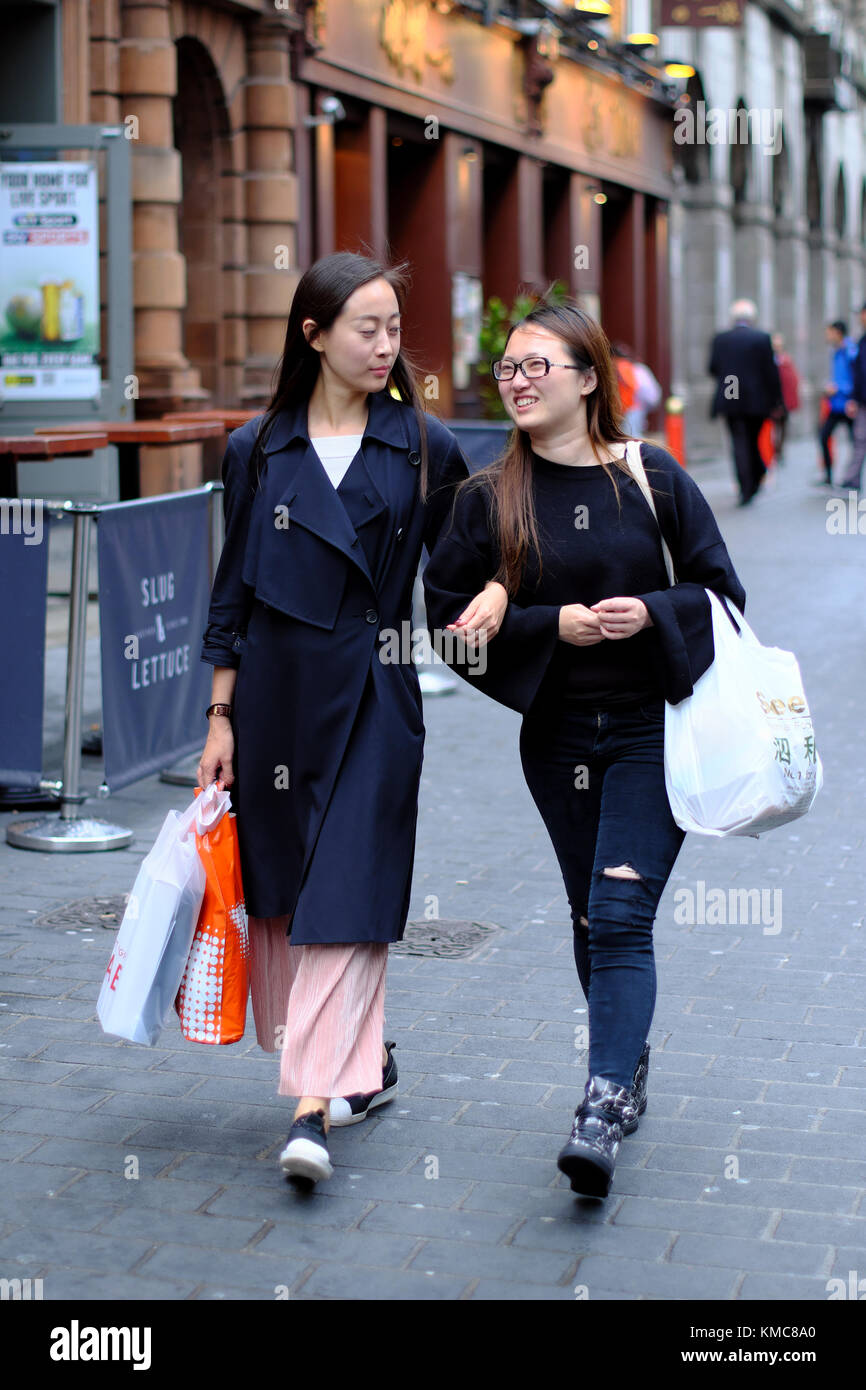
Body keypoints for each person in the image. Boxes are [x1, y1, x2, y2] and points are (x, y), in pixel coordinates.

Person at [197, 251, 507, 1185]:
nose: (385, 345)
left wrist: (495, 592)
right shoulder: (258, 447)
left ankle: (310, 1112)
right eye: (366, 328)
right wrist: (219, 717)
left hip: (375, 689)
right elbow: (231, 596)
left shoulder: (425, 444)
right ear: (314, 335)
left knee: (352, 892)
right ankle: (353, 1065)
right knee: (286, 903)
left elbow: (468, 553)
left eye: (394, 328)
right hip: (275, 699)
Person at [423, 301, 745, 1200]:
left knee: (617, 916)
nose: (518, 382)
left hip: (653, 730)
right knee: (587, 920)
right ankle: (626, 1061)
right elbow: (445, 630)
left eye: (538, 366)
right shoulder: (488, 499)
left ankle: (600, 1102)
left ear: (590, 378)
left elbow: (724, 596)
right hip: (558, 740)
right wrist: (544, 626)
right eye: (509, 370)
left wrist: (655, 612)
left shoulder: (652, 476)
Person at [708, 299, 783, 506]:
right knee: (750, 440)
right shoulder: (761, 338)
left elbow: (713, 368)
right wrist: (777, 400)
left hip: (732, 396)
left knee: (739, 441)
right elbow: (771, 372)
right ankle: (754, 478)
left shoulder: (721, 339)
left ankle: (746, 485)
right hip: (755, 400)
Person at [816, 320, 857, 486]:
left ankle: (852, 476)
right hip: (836, 405)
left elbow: (858, 378)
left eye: (829, 332)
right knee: (824, 436)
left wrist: (839, 388)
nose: (827, 336)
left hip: (849, 405)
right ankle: (828, 475)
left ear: (837, 333)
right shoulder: (836, 351)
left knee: (856, 443)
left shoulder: (851, 351)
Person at [841, 303, 866, 491]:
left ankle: (852, 478)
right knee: (859, 439)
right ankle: (852, 478)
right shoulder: (861, 341)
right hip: (863, 401)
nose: (860, 318)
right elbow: (858, 374)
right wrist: (854, 398)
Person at [770, 332, 800, 463]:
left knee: (782, 427)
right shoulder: (769, 360)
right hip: (772, 399)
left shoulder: (786, 360)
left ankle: (779, 450)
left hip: (784, 400)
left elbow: (792, 380)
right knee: (772, 427)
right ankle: (773, 450)